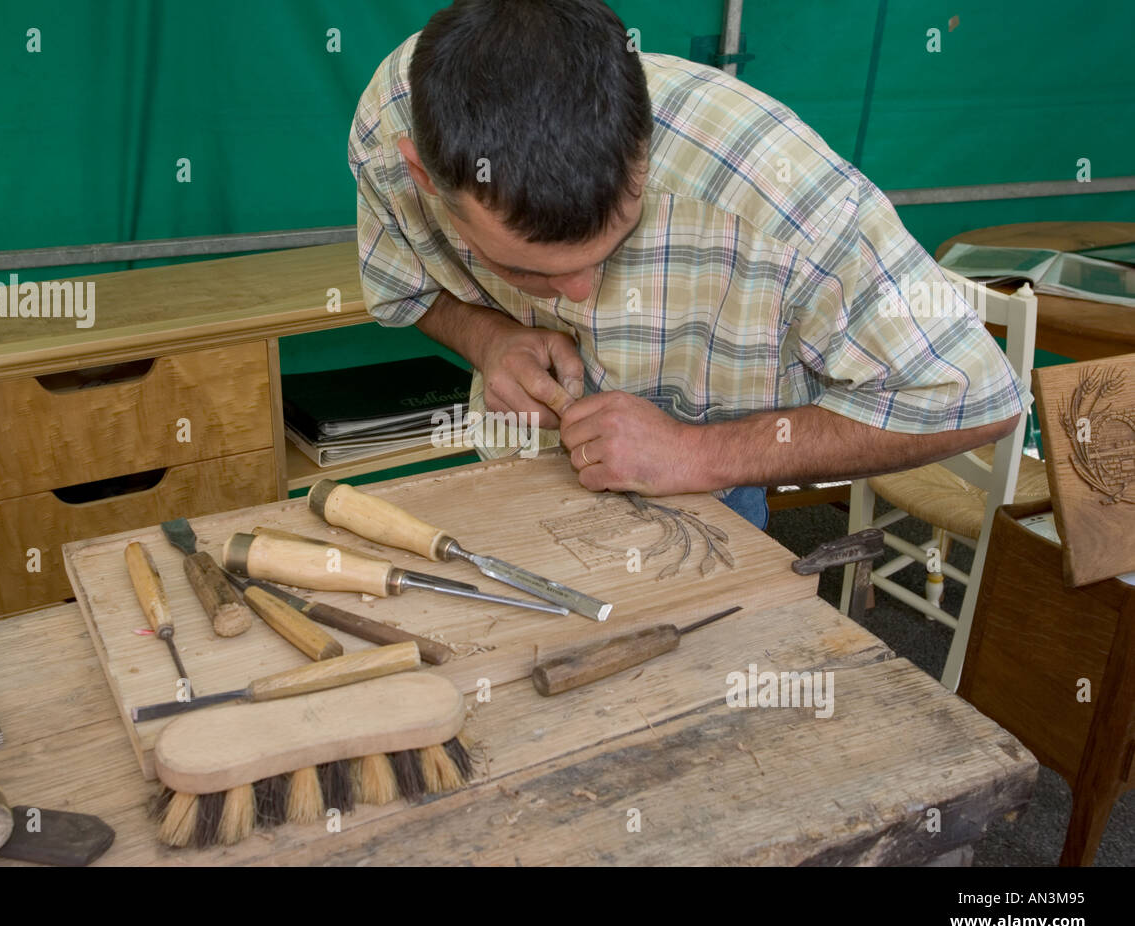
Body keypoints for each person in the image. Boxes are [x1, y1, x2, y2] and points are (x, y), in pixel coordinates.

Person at [347, 0, 1026, 529]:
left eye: (611, 247)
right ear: (424, 176)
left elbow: (972, 400)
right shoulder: (392, 130)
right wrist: (491, 339)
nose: (579, 295)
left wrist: (699, 454)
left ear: (644, 143)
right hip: (514, 475)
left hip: (711, 498)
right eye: (527, 274)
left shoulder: (784, 196)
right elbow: (407, 291)